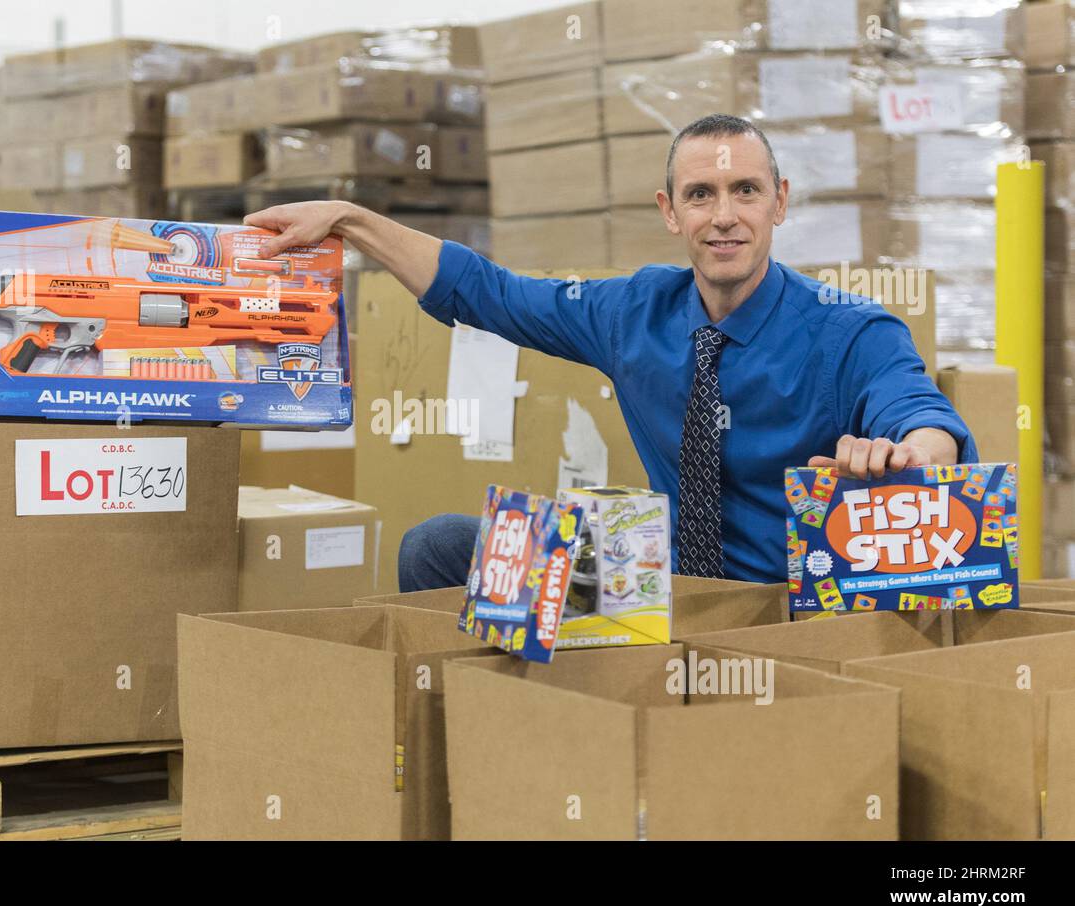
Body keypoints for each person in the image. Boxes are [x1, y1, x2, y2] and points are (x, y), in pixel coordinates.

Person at [243, 113, 977, 591]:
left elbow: (920, 413)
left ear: (779, 202)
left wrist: (911, 458)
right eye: (700, 194)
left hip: (788, 603)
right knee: (435, 547)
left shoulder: (849, 327)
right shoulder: (635, 311)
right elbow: (487, 291)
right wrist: (350, 219)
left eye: (746, 191)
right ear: (670, 211)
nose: (725, 216)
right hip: (651, 584)